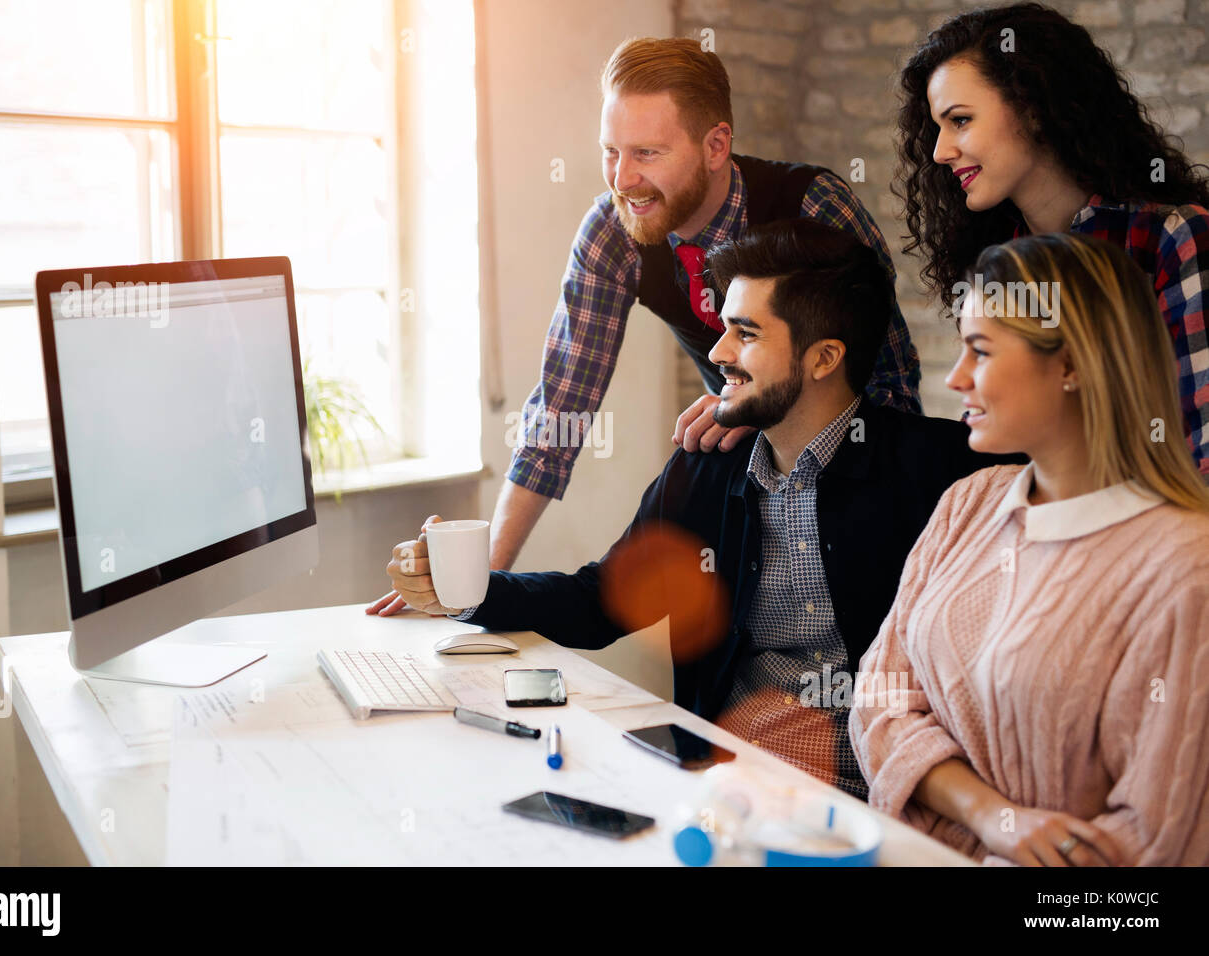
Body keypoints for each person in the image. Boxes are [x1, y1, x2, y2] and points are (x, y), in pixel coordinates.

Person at [383, 220, 1005, 798]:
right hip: (726, 786)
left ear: (824, 358)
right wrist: (467, 592)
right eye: (725, 326)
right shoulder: (708, 464)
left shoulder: (943, 474)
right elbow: (601, 600)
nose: (718, 353)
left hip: (877, 798)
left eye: (748, 333)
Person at [368, 36, 922, 616]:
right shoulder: (613, 231)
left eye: (648, 154)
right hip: (737, 463)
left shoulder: (812, 205)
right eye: (612, 151)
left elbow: (889, 383)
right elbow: (560, 410)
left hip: (852, 479)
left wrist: (760, 410)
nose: (623, 179)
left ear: (715, 145)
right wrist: (474, 583)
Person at [850, 233, 1209, 866]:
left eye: (980, 351)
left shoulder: (1185, 568)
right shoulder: (969, 504)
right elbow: (878, 699)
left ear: (1071, 364)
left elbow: (1157, 843)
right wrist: (993, 816)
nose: (955, 377)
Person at [895, 2, 1209, 477]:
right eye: (937, 128)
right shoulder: (995, 266)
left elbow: (1202, 445)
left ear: (1034, 108)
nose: (940, 151)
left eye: (959, 120)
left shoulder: (1171, 237)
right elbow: (1000, 453)